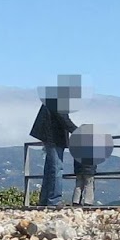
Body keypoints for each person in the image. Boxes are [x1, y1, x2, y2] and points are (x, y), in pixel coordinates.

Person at [29, 75, 80, 207]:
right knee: (57, 169)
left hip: (50, 137)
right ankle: (54, 200)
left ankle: (45, 200)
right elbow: (63, 120)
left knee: (50, 170)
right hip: (53, 138)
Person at [68, 123, 112, 206]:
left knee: (78, 185)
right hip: (89, 169)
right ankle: (88, 202)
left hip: (78, 169)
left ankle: (76, 201)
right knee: (89, 185)